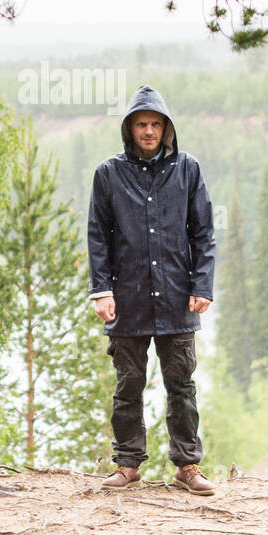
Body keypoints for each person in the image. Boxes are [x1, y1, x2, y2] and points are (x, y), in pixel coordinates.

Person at [87, 84, 218, 495]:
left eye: (155, 124)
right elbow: (98, 237)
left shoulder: (187, 169)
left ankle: (188, 466)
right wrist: (101, 290)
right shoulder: (109, 174)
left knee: (182, 384)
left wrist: (203, 286)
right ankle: (127, 464)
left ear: (166, 128)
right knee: (128, 385)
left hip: (178, 297)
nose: (148, 131)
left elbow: (204, 233)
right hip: (128, 299)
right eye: (141, 124)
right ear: (130, 128)